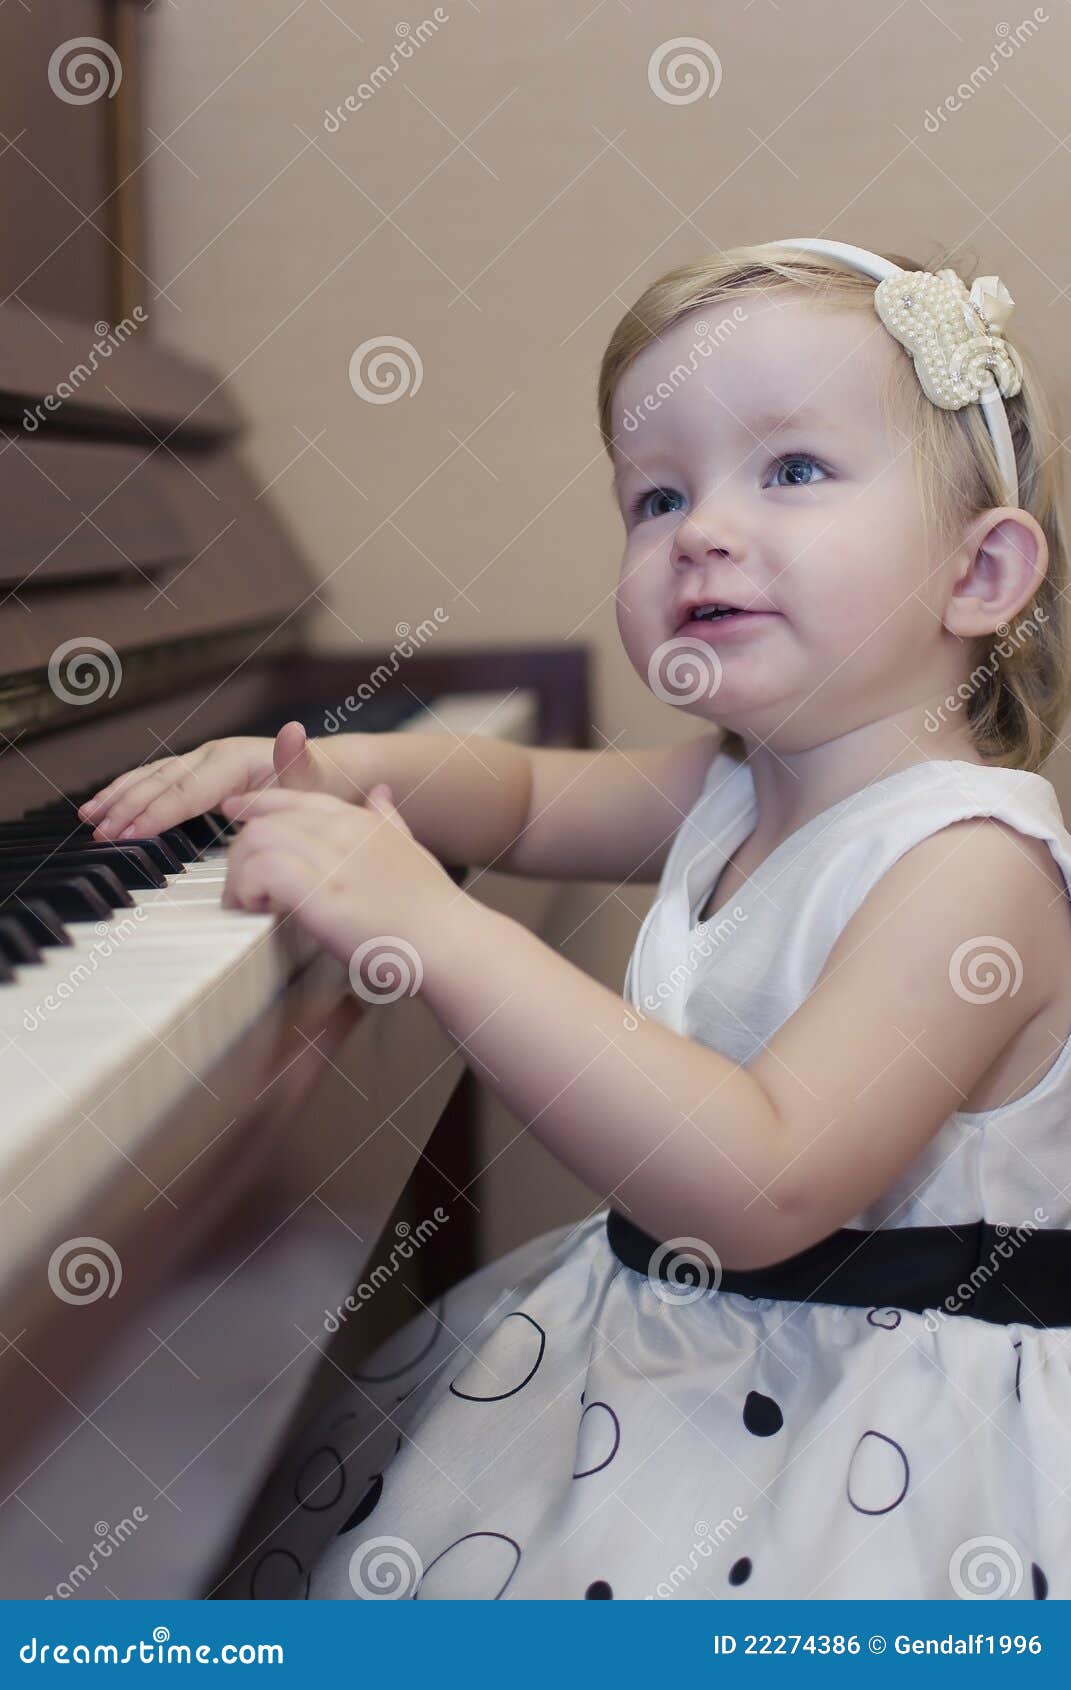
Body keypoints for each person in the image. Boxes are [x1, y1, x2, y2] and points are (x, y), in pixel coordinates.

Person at [81, 238, 1071, 1602]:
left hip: (862, 1459)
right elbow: (525, 797)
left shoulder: (972, 870)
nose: (701, 530)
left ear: (981, 574)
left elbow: (764, 1184)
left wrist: (432, 928)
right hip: (675, 1363)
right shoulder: (738, 785)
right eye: (657, 495)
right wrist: (336, 767)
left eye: (792, 469)